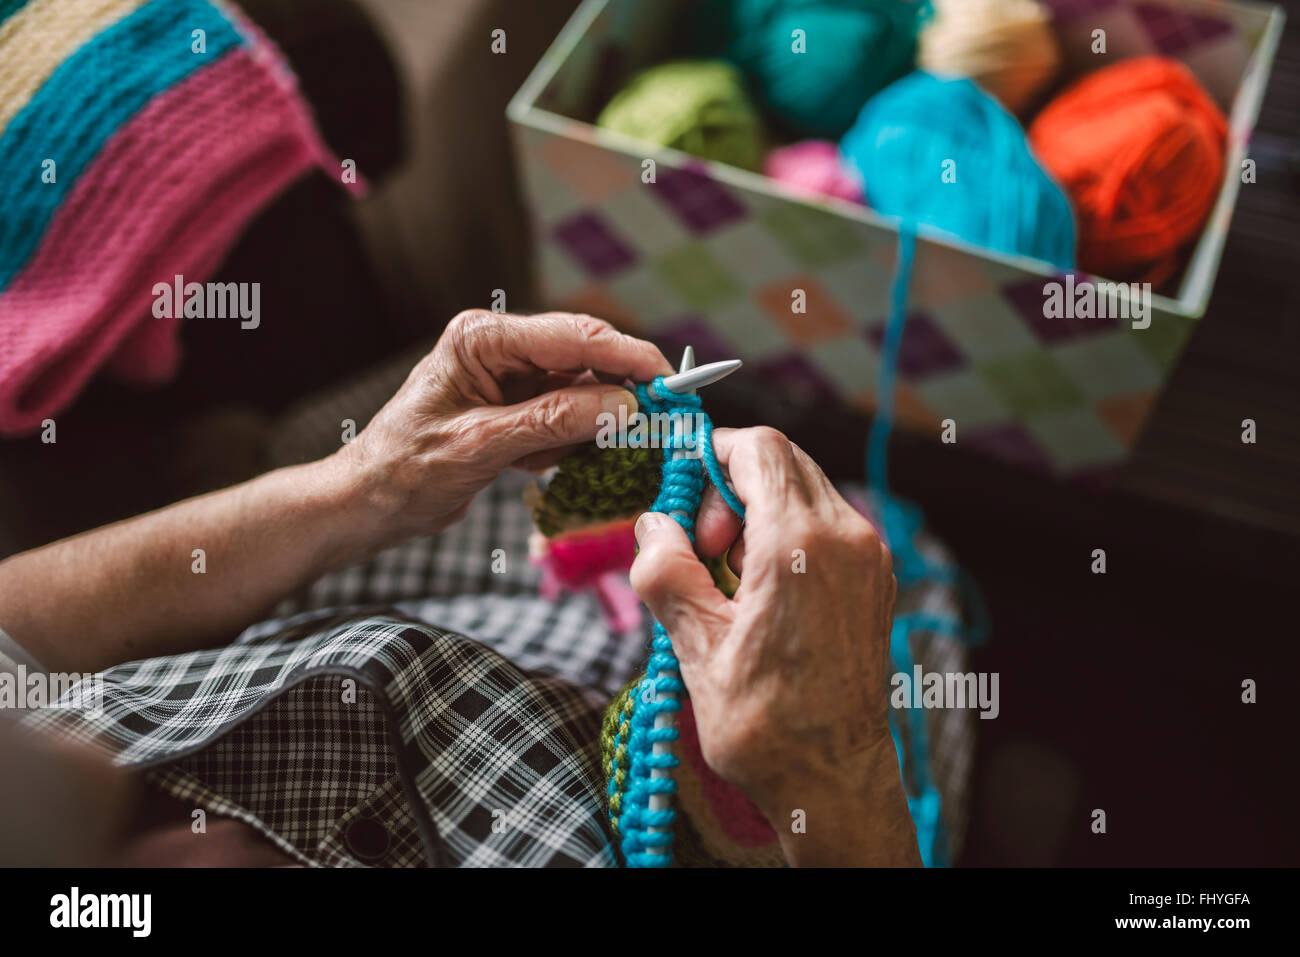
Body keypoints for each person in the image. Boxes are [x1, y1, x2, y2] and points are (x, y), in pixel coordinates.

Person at [0, 310, 918, 867]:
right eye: (78, 828)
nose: (89, 750)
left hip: (471, 614)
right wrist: (845, 798)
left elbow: (14, 628)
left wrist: (362, 486)